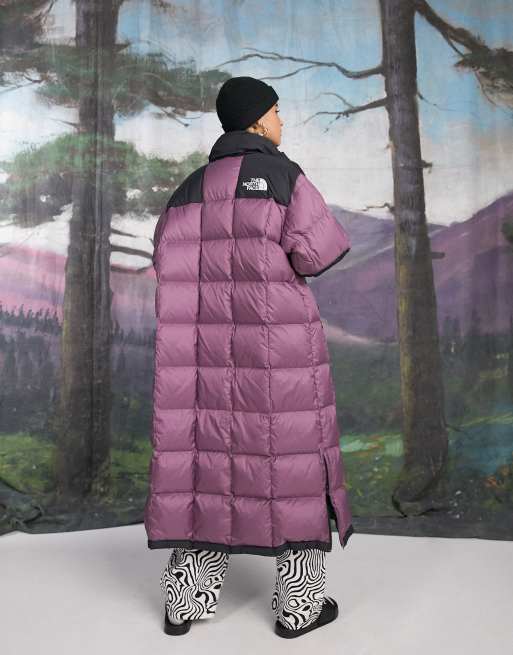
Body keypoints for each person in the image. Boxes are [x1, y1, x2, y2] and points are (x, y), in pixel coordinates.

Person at [144, 75, 354, 638]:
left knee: (206, 473)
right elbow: (317, 254)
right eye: (277, 111)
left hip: (201, 364)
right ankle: (299, 609)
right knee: (294, 472)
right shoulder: (284, 177)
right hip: (278, 359)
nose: (282, 121)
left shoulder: (187, 189)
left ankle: (185, 604)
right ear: (259, 119)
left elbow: (166, 263)